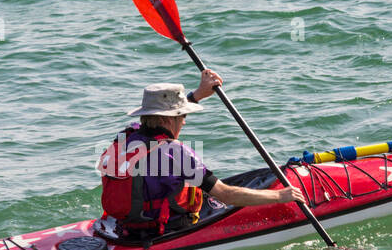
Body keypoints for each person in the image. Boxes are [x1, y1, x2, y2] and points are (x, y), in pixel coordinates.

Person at [98, 69, 307, 238]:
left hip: (128, 225)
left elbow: (160, 141)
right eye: (180, 116)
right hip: (168, 229)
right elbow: (225, 195)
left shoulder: (127, 137)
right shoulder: (177, 153)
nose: (185, 120)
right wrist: (280, 196)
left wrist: (197, 94)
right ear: (166, 120)